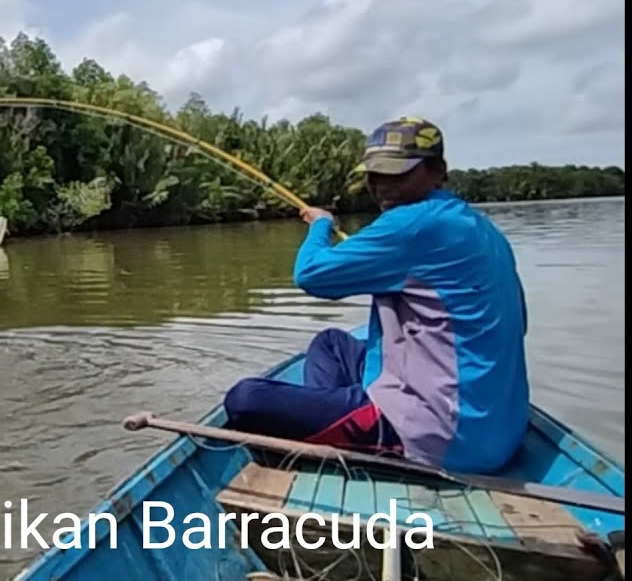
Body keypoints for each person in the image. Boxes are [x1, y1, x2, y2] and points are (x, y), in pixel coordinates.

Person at [222, 116, 531, 474]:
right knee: (331, 343)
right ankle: (337, 424)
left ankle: (346, 434)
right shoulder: (482, 229)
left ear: (438, 171)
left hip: (444, 438)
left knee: (245, 400)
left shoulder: (411, 223)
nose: (382, 186)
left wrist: (321, 225)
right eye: (374, 174)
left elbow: (311, 274)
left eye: (397, 173)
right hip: (500, 431)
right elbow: (518, 322)